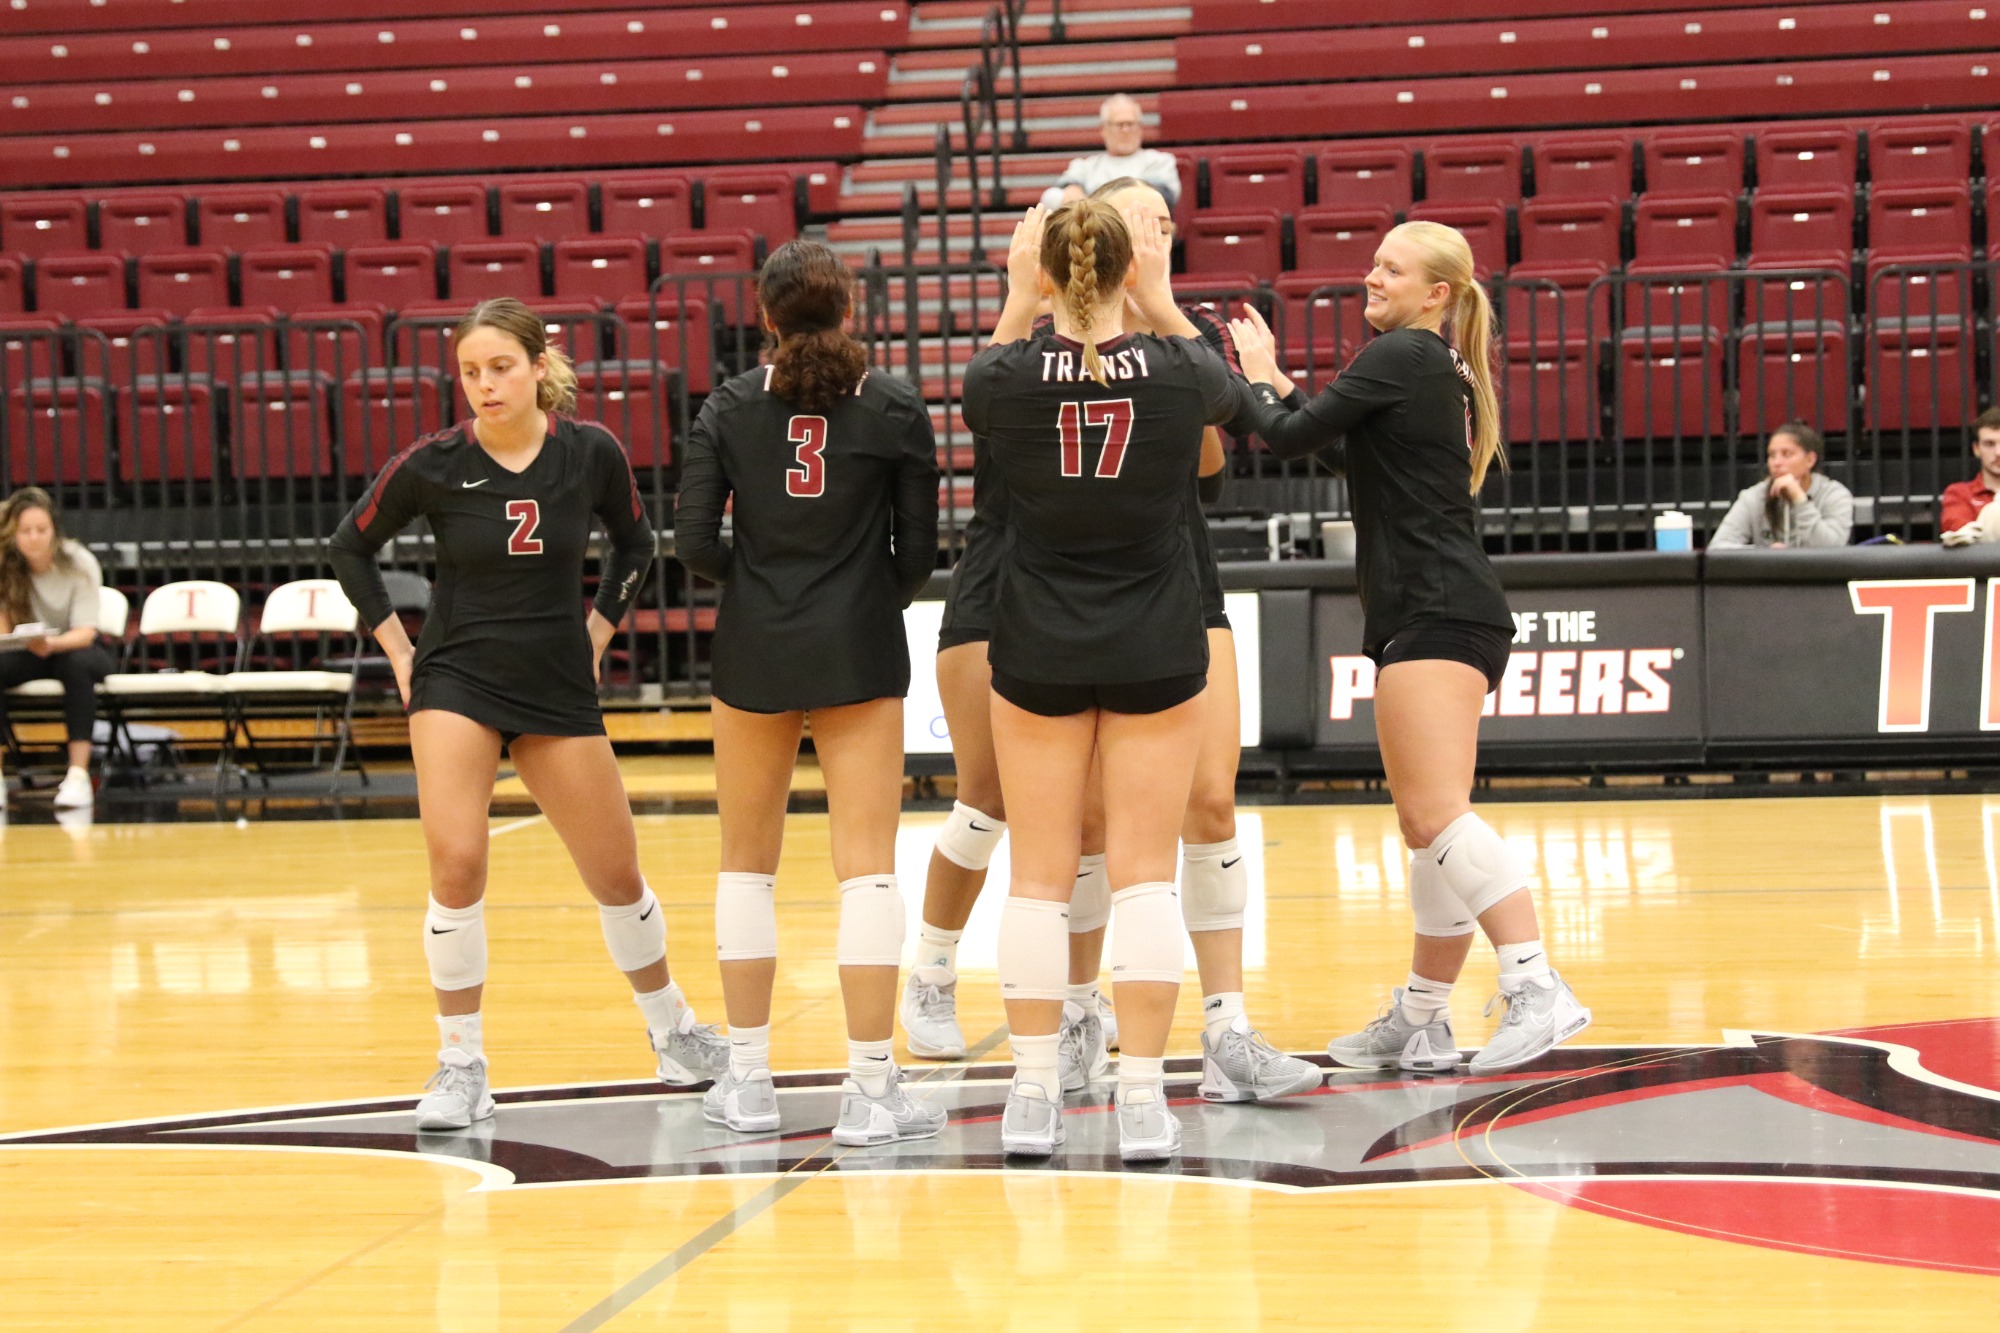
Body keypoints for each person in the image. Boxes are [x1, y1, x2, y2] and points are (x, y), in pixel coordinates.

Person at [328, 296, 726, 1132]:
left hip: (554, 682)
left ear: (538, 366)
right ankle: (461, 1061)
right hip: (456, 679)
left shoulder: (589, 454)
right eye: (470, 372)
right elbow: (349, 545)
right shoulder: (433, 463)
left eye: (500, 366)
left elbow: (635, 543)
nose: (484, 385)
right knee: (458, 863)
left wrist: (595, 634)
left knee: (616, 875)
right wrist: (401, 653)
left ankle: (674, 1033)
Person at [1228, 221, 1592, 1075]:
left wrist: (1251, 384)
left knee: (1436, 817)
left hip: (1435, 610)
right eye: (1374, 261)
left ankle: (1537, 982)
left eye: (1393, 267)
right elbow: (1348, 449)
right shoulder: (1429, 364)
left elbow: (1286, 438)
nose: (1372, 275)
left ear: (1437, 292)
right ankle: (1425, 1016)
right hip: (1439, 609)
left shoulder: (1401, 354)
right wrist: (1278, 383)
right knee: (1424, 822)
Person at [962, 197, 1248, 1163]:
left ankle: (1034, 1091)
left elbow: (986, 377)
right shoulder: (1180, 373)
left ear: (1044, 274)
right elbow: (1224, 397)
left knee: (1040, 879)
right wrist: (1159, 301)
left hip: (1037, 637)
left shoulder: (1001, 376)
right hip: (1158, 640)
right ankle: (1140, 1098)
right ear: (1131, 271)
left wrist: (1015, 297)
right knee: (1143, 879)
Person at [674, 240, 945, 1145]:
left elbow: (694, 542)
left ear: (765, 316)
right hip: (859, 641)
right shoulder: (897, 405)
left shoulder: (728, 405)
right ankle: (871, 1089)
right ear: (851, 310)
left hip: (756, 641)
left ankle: (748, 1081)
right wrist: (861, 592)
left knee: (746, 863)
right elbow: (920, 553)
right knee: (865, 864)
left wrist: (758, 580)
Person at [0, 487, 113, 810]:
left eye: (41, 530)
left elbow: (84, 633)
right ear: (13, 534)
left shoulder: (79, 563)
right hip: (32, 650)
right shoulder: (7, 567)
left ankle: (77, 776)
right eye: (25, 531)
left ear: (54, 531)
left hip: (83, 648)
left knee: (75, 665)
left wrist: (50, 644)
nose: (33, 537)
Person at [1709, 423, 1854, 549]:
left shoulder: (1835, 495)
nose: (1776, 463)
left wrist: (1800, 500)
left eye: (1786, 454)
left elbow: (1832, 549)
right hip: (1769, 578)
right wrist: (1763, 553)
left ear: (1810, 460)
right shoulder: (1753, 497)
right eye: (1772, 455)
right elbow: (1718, 547)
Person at [1038, 94, 1180, 211]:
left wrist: (1091, 202)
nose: (1125, 130)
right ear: (1103, 129)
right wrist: (1072, 189)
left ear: (1140, 128)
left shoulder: (1160, 162)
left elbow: (1161, 199)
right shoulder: (1084, 167)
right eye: (1119, 125)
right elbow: (1055, 196)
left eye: (1130, 124)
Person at [1939, 407, 2000, 545]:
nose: (1998, 452)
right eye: (1989, 444)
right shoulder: (1959, 493)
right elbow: (1959, 531)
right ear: (1976, 449)